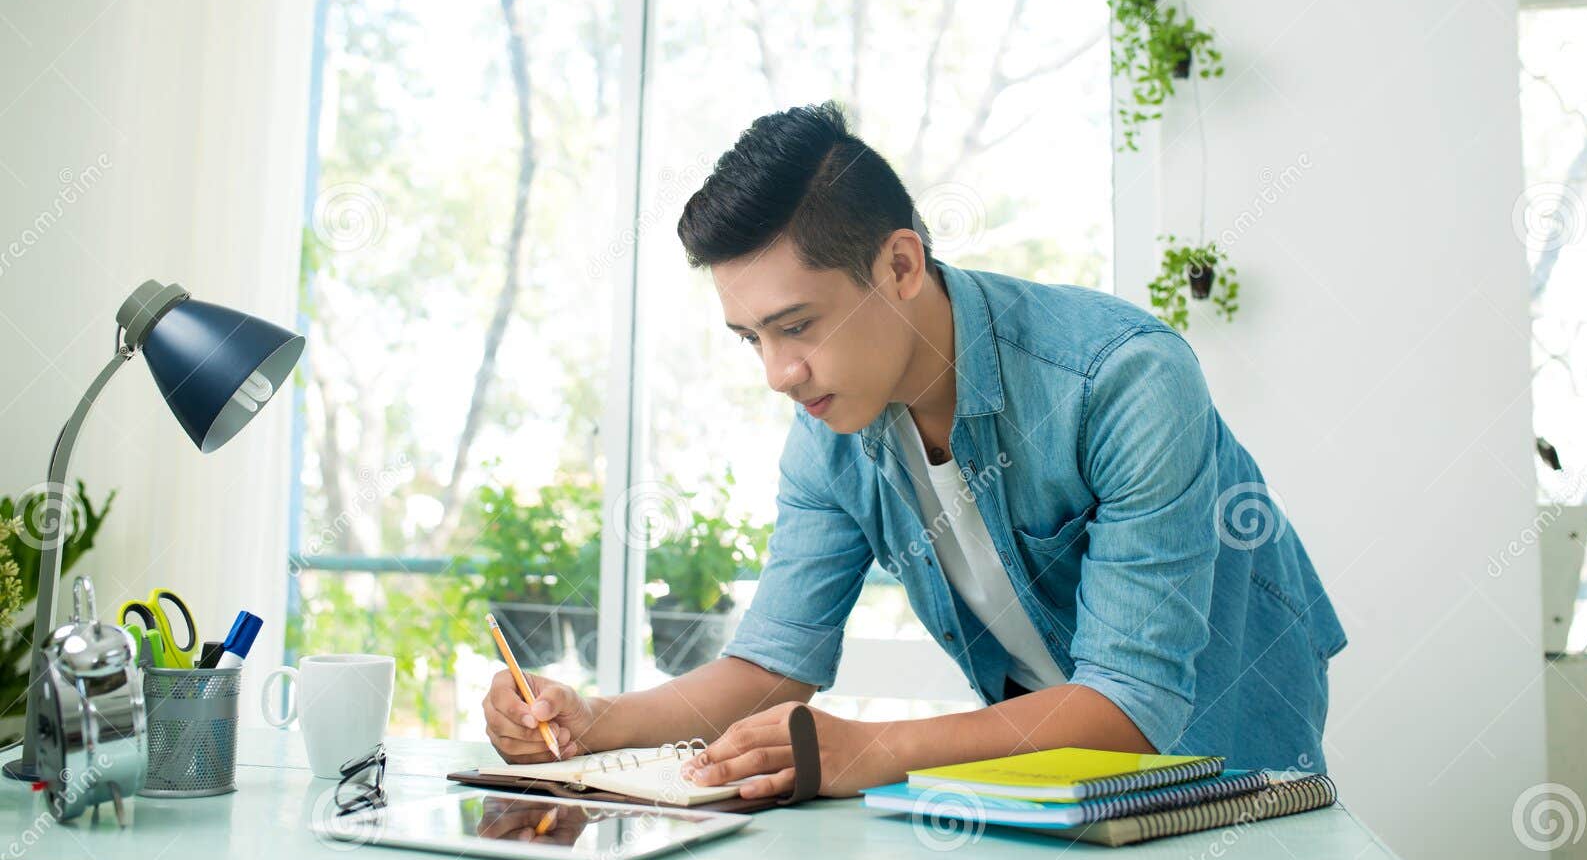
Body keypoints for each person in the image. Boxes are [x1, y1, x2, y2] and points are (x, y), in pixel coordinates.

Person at [484, 102, 1347, 798]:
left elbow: (1130, 705)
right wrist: (593, 720)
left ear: (901, 265)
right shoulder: (829, 427)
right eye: (750, 338)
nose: (780, 373)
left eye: (797, 325)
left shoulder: (1122, 379)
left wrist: (866, 750)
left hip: (1236, 773)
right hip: (1050, 785)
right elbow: (772, 665)